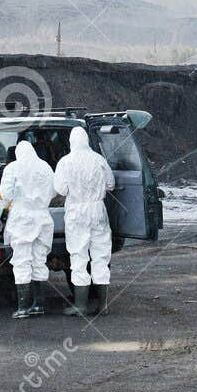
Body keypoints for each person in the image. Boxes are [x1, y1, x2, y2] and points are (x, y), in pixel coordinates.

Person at [54, 126, 115, 317]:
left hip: (77, 212)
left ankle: (80, 305)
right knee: (101, 256)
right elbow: (110, 184)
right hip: (98, 210)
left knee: (79, 257)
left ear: (72, 142)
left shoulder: (66, 162)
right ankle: (103, 305)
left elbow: (61, 190)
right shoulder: (99, 159)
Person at [0, 138, 56, 319]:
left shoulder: (12, 168)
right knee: (39, 259)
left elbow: (6, 194)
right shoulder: (45, 166)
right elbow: (54, 191)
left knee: (22, 261)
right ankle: (38, 305)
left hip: (22, 218)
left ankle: (22, 307)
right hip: (43, 217)